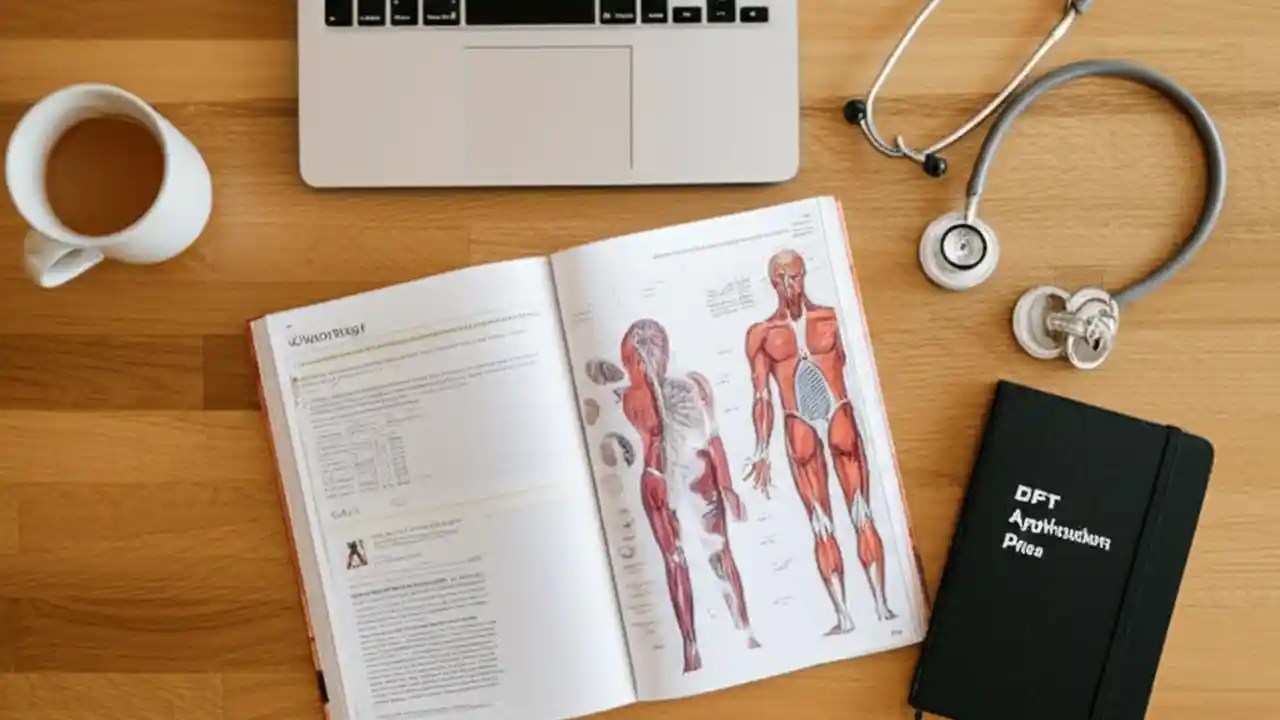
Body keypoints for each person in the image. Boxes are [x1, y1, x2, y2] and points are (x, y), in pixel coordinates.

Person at [744, 250, 895, 634]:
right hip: (799, 423)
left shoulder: (830, 317)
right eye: (782, 280)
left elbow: (852, 366)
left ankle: (881, 607)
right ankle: (845, 615)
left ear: (804, 275)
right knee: (821, 523)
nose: (789, 286)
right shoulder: (761, 333)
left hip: (838, 413)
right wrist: (761, 450)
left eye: (793, 277)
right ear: (772, 283)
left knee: (861, 512)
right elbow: (762, 396)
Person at [619, 318, 759, 672]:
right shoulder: (632, 396)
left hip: (698, 474)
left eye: (655, 341)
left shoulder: (694, 383)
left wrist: (727, 486)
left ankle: (744, 629)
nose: (650, 350)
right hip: (658, 480)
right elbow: (655, 426)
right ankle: (690, 646)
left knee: (720, 552)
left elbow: (712, 436)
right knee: (675, 560)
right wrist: (646, 376)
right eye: (641, 345)